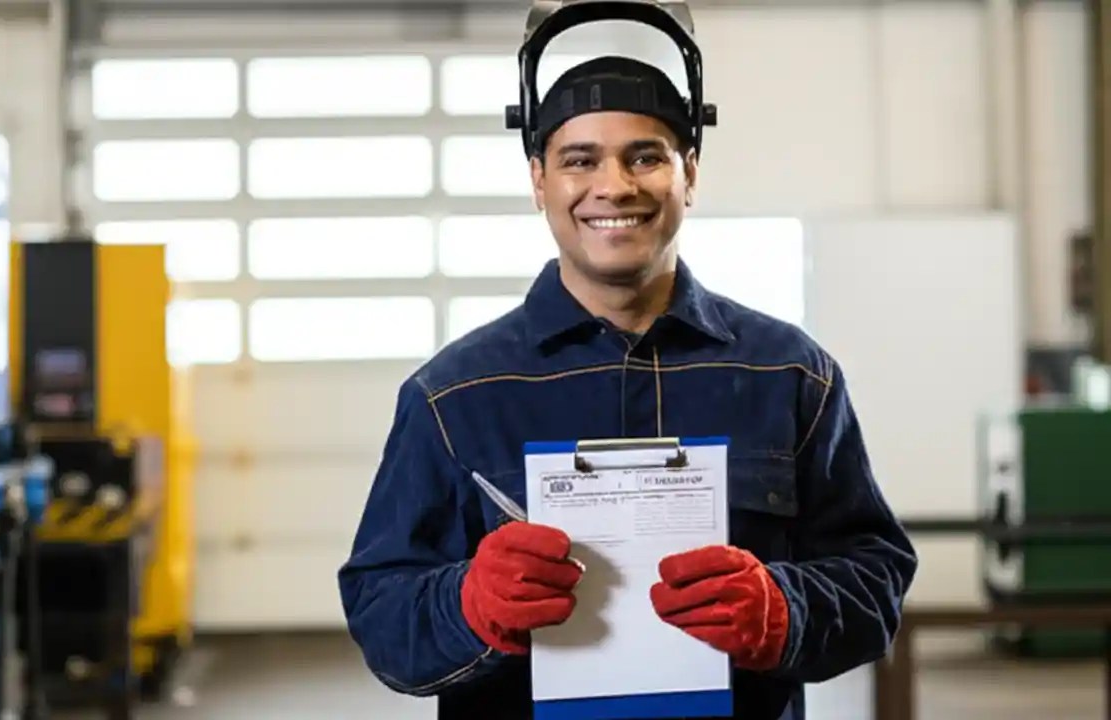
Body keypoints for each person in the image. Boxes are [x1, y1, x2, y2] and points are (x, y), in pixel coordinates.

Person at [338, 53, 917, 720]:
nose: (612, 186)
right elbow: (381, 612)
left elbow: (876, 579)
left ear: (689, 174)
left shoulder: (787, 375)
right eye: (580, 160)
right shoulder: (454, 396)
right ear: (538, 180)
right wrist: (467, 605)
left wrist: (784, 610)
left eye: (645, 157)